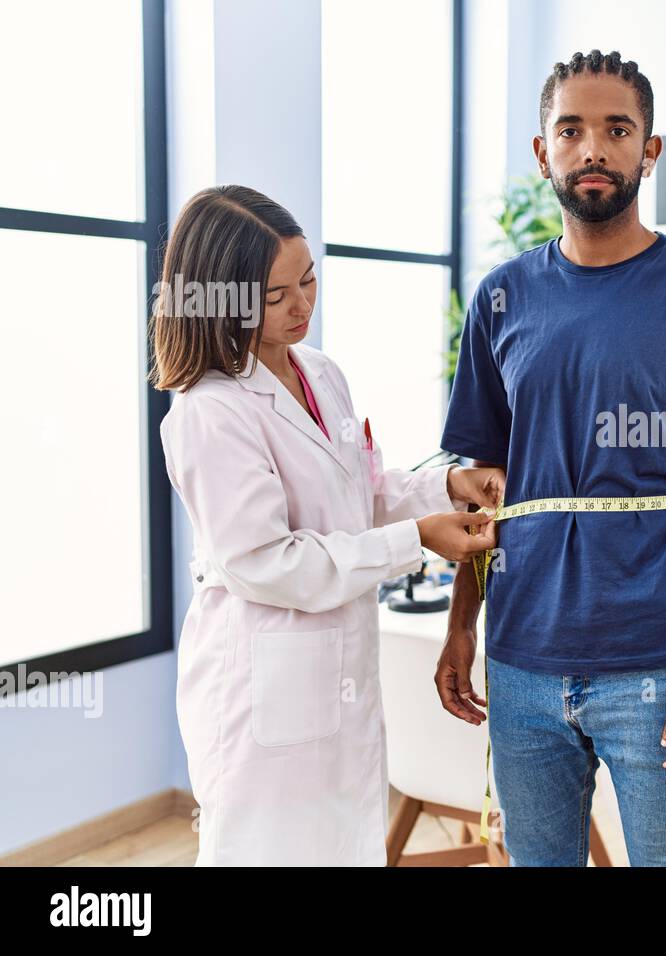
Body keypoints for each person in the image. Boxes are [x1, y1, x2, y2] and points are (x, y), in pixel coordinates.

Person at [435, 50, 666, 866]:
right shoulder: (499, 301)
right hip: (521, 662)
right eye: (571, 130)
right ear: (544, 152)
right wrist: (462, 626)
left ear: (650, 150)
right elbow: (481, 490)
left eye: (617, 130)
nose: (593, 149)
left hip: (660, 665)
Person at [152, 185, 503, 865]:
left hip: (336, 678)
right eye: (276, 295)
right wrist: (417, 541)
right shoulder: (209, 411)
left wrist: (446, 486)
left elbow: (358, 493)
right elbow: (266, 560)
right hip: (261, 688)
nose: (302, 305)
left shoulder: (320, 373)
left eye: (308, 279)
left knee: (346, 847)